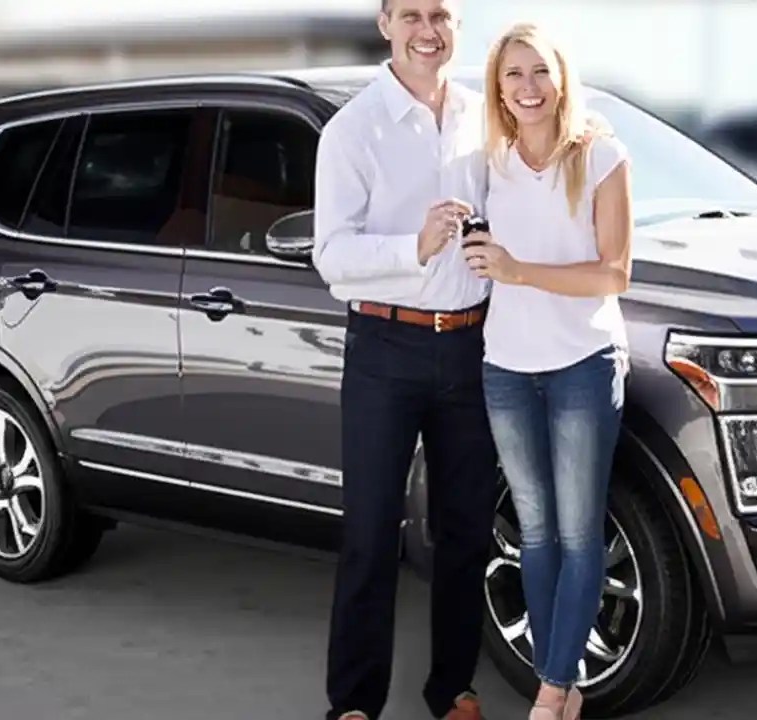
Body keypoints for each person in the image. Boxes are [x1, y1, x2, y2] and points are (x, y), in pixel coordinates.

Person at [311, 1, 499, 719]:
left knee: (466, 530)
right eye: (413, 14)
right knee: (369, 531)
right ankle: (354, 705)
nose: (429, 30)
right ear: (385, 22)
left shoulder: (484, 117)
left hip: (472, 346)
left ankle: (453, 690)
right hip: (385, 350)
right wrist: (412, 247)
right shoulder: (352, 131)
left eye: (443, 14)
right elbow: (331, 257)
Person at [461, 21, 634, 720]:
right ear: (497, 90)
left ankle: (551, 692)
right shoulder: (488, 162)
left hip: (582, 366)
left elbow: (613, 274)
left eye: (539, 72)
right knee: (533, 533)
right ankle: (563, 685)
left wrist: (516, 270)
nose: (527, 87)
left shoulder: (600, 155)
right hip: (505, 366)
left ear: (561, 78)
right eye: (512, 75)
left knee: (576, 533)